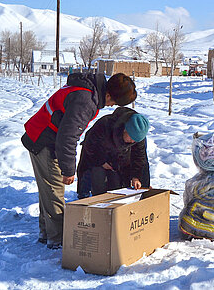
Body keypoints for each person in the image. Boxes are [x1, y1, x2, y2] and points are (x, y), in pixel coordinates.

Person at [21, 72, 137, 249]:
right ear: (108, 95)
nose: (110, 106)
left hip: (43, 136)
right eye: (113, 102)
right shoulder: (85, 101)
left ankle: (46, 233)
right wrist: (68, 170)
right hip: (43, 141)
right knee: (54, 192)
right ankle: (57, 240)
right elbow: (68, 138)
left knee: (48, 190)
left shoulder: (88, 90)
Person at [76, 107, 150, 197]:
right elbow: (90, 147)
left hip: (119, 159)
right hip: (97, 155)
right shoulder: (104, 125)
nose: (132, 142)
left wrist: (136, 177)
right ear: (125, 130)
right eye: (131, 138)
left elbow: (139, 157)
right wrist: (101, 161)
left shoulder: (138, 136)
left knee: (117, 185)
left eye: (135, 141)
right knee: (96, 177)